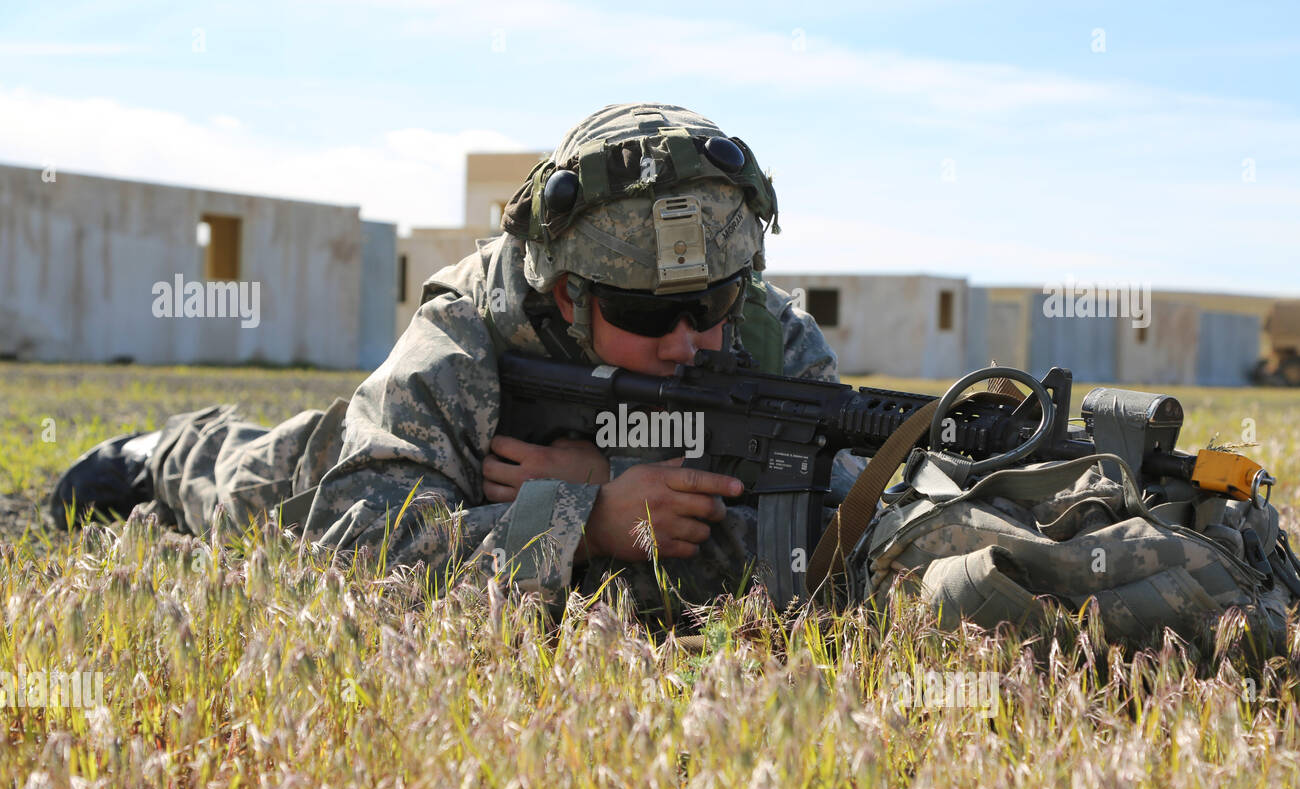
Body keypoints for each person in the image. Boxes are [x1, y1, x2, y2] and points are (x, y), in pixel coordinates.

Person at [50, 103, 864, 613]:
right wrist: (587, 524)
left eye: (712, 302)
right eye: (645, 312)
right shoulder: (468, 328)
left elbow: (844, 518)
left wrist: (595, 472)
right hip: (380, 468)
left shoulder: (769, 336)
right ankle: (166, 455)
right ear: (570, 295)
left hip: (533, 488)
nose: (688, 339)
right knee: (270, 491)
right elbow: (360, 544)